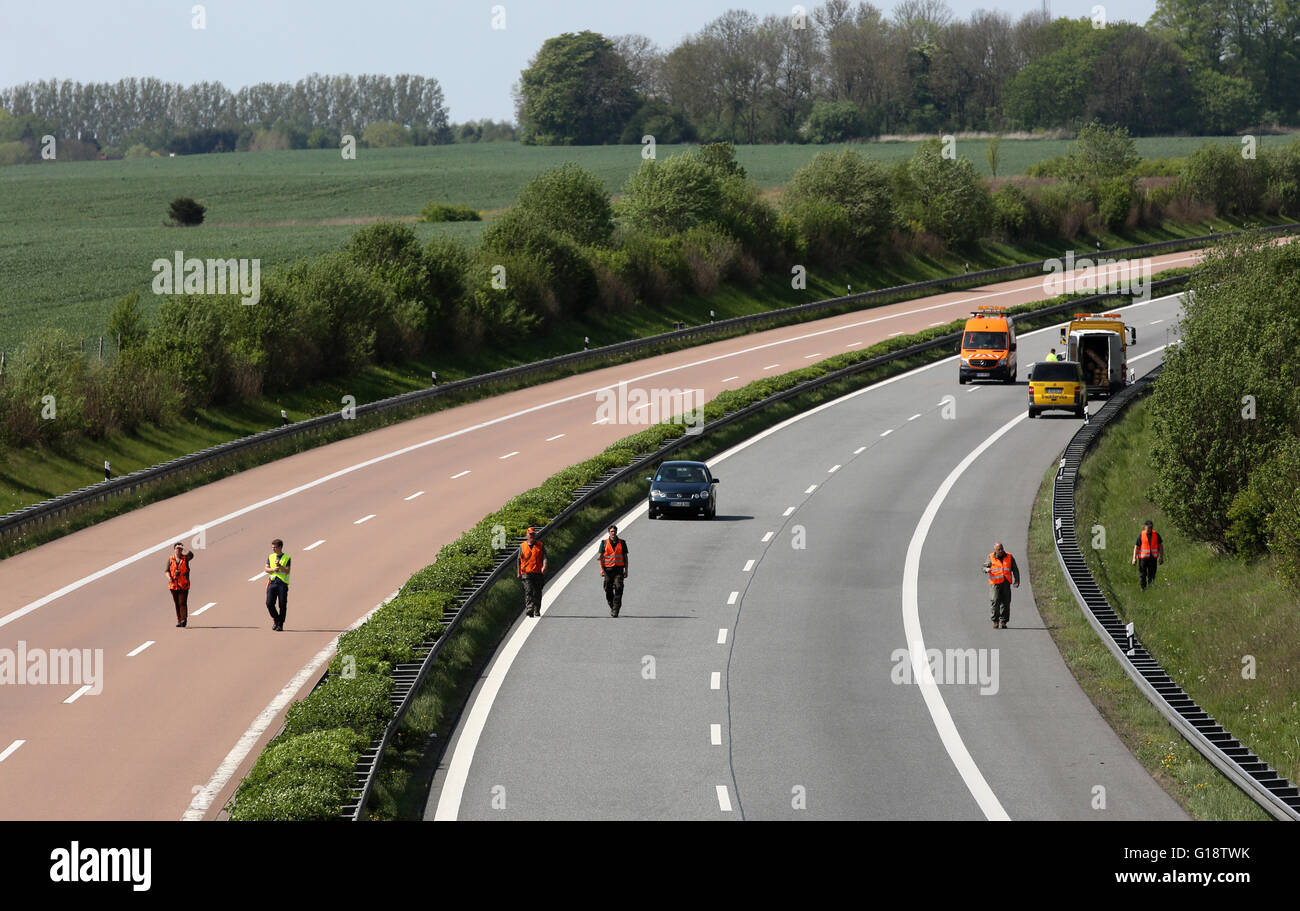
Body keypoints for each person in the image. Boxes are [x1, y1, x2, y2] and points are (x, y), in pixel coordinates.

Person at [982, 541, 1020, 629]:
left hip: (1006, 583)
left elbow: (1015, 569)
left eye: (1002, 548)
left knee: (1006, 603)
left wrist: (1017, 580)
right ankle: (995, 621)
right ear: (995, 550)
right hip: (995, 584)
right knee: (995, 601)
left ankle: (1003, 621)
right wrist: (986, 569)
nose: (1001, 550)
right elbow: (984, 567)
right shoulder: (990, 557)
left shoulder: (1009, 556)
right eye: (999, 549)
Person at [597, 525, 629, 617]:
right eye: (611, 531)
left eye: (614, 531)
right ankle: (612, 605)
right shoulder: (604, 543)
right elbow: (600, 558)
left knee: (619, 587)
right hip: (607, 571)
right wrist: (601, 570)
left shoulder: (622, 543)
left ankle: (616, 609)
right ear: (609, 532)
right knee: (608, 589)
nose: (613, 533)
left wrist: (626, 570)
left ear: (616, 532)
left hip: (618, 570)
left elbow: (625, 558)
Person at [518, 527, 547, 617]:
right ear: (527, 535)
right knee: (529, 590)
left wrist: (545, 566)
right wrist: (518, 572)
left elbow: (545, 558)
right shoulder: (522, 546)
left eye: (533, 534)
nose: (532, 536)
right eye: (530, 534)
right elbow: (518, 560)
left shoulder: (540, 545)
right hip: (526, 573)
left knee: (537, 592)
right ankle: (530, 608)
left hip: (538, 572)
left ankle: (536, 609)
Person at [264, 538, 291, 631]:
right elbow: (266, 569)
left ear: (280, 547)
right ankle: (276, 618)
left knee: (282, 604)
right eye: (272, 547)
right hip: (272, 582)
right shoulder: (271, 557)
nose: (273, 549)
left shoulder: (286, 558)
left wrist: (280, 567)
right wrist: (272, 570)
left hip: (282, 584)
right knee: (269, 603)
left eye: (275, 547)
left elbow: (287, 571)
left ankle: (280, 624)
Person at [165, 542, 194, 628]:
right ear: (174, 550)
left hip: (183, 584)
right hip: (173, 585)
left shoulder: (185, 558)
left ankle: (184, 619)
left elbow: (191, 554)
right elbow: (166, 571)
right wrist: (169, 577)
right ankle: (179, 620)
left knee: (182, 602)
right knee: (177, 603)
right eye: (177, 549)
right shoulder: (170, 559)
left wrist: (184, 547)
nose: (178, 550)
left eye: (180, 549)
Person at [1132, 520, 1166, 590]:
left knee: (1152, 575)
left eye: (1150, 528)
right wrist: (1134, 558)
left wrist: (1161, 557)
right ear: (1144, 527)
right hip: (1143, 559)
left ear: (1152, 528)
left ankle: (1151, 589)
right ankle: (1143, 589)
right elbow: (1136, 547)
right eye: (1147, 528)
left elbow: (1160, 546)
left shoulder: (1156, 535)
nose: (1148, 530)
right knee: (1142, 575)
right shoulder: (1141, 535)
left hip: (1153, 558)